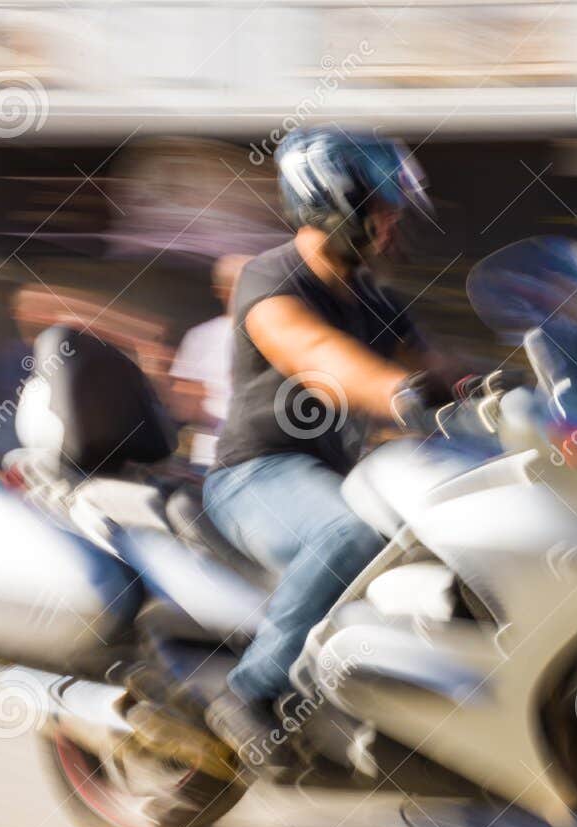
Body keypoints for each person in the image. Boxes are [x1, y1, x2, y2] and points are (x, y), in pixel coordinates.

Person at [202, 127, 449, 777]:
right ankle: (250, 691)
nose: (391, 226)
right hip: (256, 476)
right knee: (357, 530)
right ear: (334, 202)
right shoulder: (271, 278)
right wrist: (399, 392)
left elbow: (444, 372)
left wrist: (517, 397)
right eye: (381, 209)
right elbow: (319, 359)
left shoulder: (374, 300)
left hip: (343, 474)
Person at [169, 253, 250, 466]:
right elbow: (184, 405)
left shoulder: (199, 336)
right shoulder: (200, 336)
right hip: (221, 456)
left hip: (223, 455)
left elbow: (184, 405)